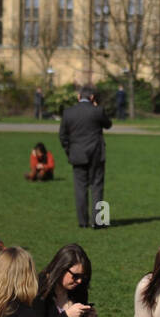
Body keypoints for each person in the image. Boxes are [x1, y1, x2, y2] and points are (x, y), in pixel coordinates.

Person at [35, 243, 124, 317]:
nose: (79, 281)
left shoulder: (79, 288)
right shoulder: (40, 288)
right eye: (75, 276)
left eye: (83, 276)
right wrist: (67, 316)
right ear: (61, 268)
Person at [58, 85, 111, 228]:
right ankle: (99, 222)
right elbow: (108, 124)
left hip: (77, 153)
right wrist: (98, 107)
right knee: (97, 188)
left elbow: (62, 136)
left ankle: (83, 222)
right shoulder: (97, 111)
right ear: (92, 97)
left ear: (78, 97)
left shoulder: (68, 112)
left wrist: (69, 151)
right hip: (96, 154)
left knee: (80, 189)